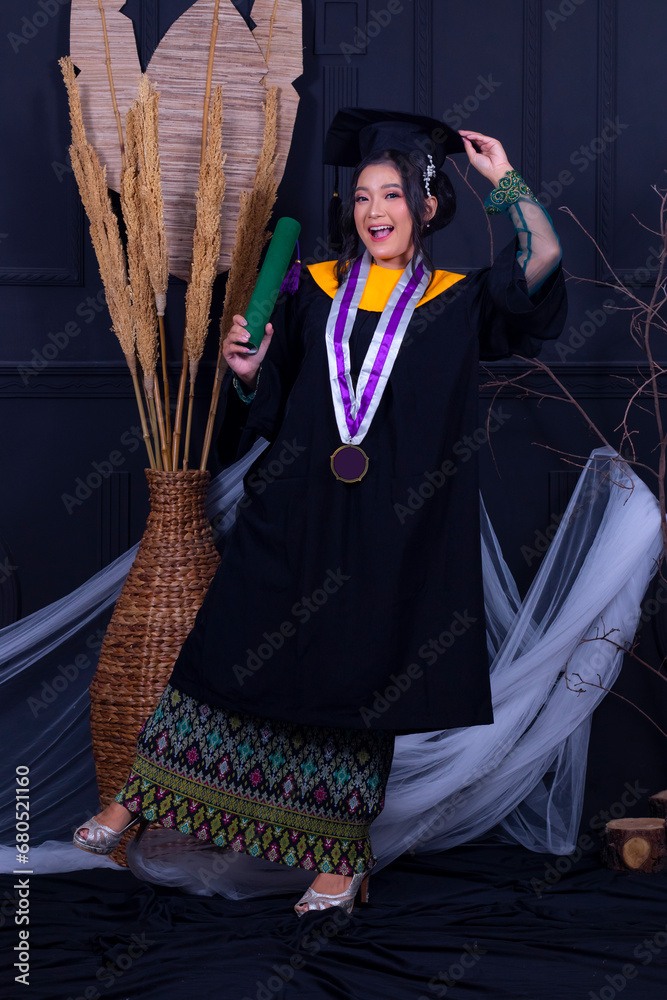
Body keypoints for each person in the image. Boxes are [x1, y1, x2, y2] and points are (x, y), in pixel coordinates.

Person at [73, 108, 567, 916]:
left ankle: (339, 860)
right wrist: (245, 370)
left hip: (395, 528)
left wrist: (502, 177)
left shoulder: (457, 300)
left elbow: (540, 256)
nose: (375, 210)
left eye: (395, 195)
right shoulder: (313, 288)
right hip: (295, 508)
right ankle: (140, 797)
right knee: (226, 649)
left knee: (357, 684)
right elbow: (268, 407)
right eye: (365, 195)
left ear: (428, 208)